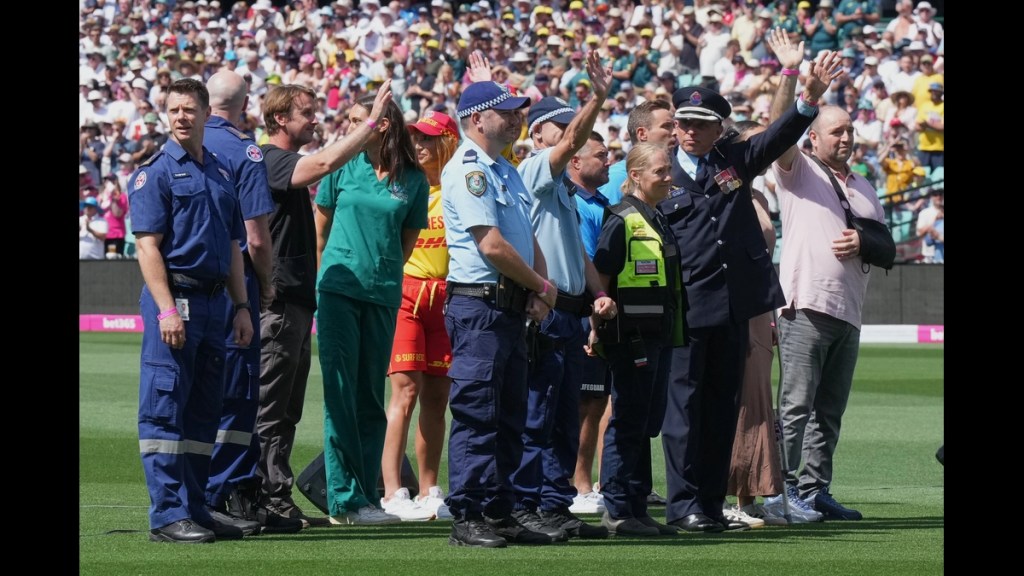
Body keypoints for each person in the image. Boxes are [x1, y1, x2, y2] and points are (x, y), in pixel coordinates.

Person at [658, 31, 841, 534]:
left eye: (701, 124)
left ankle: (711, 505)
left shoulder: (733, 161)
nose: (690, 131)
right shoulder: (657, 172)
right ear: (673, 127)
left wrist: (808, 97)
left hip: (733, 306)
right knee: (683, 413)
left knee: (722, 409)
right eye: (684, 123)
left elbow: (777, 136)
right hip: (684, 309)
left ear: (719, 129)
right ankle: (682, 505)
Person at [244, 80, 394, 531]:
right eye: (306, 112)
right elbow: (325, 163)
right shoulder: (270, 159)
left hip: (295, 301)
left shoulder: (282, 161)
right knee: (271, 407)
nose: (315, 119)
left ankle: (274, 497)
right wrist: (370, 125)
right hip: (280, 301)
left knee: (286, 408)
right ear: (278, 120)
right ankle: (261, 498)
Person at [129, 78, 254, 543]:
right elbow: (147, 248)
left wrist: (241, 306)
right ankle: (167, 513)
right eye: (174, 109)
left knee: (205, 411)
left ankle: (196, 508)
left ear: (206, 114)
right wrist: (166, 311)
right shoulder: (155, 172)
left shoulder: (221, 172)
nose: (181, 116)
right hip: (175, 299)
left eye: (189, 109)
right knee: (165, 409)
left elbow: (236, 247)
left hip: (215, 302)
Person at [441, 81, 557, 548]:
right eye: (505, 113)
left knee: (509, 414)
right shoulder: (469, 170)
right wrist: (543, 287)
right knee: (477, 413)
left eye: (517, 112)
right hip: (479, 305)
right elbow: (491, 246)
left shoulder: (504, 170)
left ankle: (498, 509)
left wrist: (541, 290)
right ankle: (468, 513)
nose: (515, 119)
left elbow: (527, 240)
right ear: (477, 119)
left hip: (508, 307)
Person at [768, 82, 889, 521]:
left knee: (829, 411)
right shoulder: (797, 169)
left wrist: (864, 240)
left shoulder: (863, 186)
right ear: (812, 137)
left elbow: (884, 244)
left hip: (848, 311)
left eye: (850, 130)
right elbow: (777, 132)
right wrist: (796, 85)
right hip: (807, 305)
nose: (846, 138)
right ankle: (778, 490)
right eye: (836, 131)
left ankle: (816, 489)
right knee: (796, 404)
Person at [510, 49, 617, 542]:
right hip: (547, 313)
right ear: (540, 137)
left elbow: (579, 254)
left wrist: (597, 294)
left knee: (561, 415)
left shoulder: (566, 194)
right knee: (538, 412)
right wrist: (596, 97)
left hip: (571, 313)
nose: (571, 137)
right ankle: (527, 503)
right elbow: (575, 138)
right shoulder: (534, 170)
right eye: (563, 129)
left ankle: (554, 504)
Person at [314, 91, 429, 525]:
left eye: (358, 119)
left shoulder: (414, 180)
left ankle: (363, 498)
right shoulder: (341, 167)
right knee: (340, 395)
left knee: (369, 398)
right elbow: (319, 234)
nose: (349, 126)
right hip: (338, 293)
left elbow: (404, 246)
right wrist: (319, 287)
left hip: (382, 295)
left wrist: (380, 277)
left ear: (382, 124)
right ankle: (343, 499)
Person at [200, 70, 296, 535]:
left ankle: (196, 494)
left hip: (188, 286)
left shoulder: (186, 145)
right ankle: (225, 493)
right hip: (237, 290)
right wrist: (267, 285)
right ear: (246, 104)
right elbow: (257, 239)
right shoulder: (244, 150)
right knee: (238, 393)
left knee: (194, 392)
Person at [591, 142, 681, 537]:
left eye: (668, 170)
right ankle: (617, 507)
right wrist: (597, 330)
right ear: (636, 176)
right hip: (630, 337)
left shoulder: (656, 217)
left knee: (644, 422)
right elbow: (603, 278)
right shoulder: (622, 219)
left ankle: (637, 504)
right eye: (660, 171)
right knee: (627, 420)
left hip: (657, 335)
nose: (668, 178)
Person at [378, 111, 461, 522]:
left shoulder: (462, 187)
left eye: (429, 138)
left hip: (448, 298)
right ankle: (393, 490)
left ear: (449, 141)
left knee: (437, 397)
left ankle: (430, 489)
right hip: (407, 294)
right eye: (415, 138)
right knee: (405, 392)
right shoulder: (403, 185)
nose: (420, 145)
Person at [568, 131, 613, 516]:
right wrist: (593, 317)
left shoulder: (600, 202)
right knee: (587, 400)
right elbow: (588, 262)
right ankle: (579, 482)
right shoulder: (577, 205)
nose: (609, 161)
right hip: (586, 310)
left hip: (599, 309)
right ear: (577, 162)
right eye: (601, 155)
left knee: (596, 400)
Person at [97, 174, 129, 257]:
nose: (108, 182)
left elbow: (117, 214)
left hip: (116, 235)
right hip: (102, 235)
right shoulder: (100, 196)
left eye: (110, 180)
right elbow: (99, 212)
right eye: (106, 180)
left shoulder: (122, 197)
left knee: (114, 260)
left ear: (115, 182)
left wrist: (113, 198)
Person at [915, 188, 943, 264]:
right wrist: (935, 222)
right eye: (935, 194)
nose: (938, 197)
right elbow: (919, 233)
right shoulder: (924, 213)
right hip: (929, 255)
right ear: (931, 197)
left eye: (941, 194)